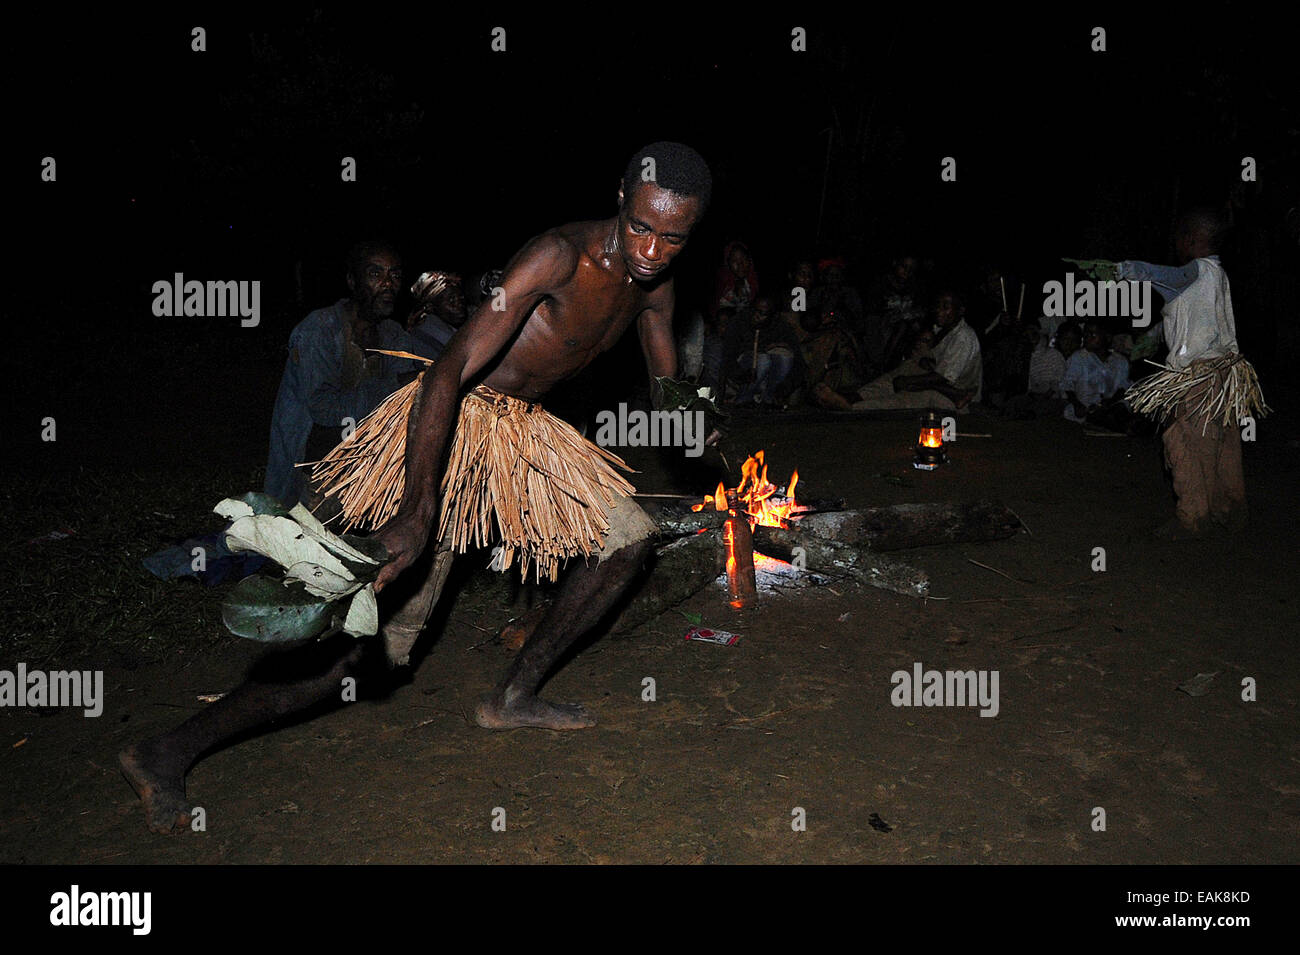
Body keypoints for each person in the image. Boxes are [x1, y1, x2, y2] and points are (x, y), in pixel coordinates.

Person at [121, 142, 712, 833]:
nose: (652, 248)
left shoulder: (659, 284)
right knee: (371, 643)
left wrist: (699, 419)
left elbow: (670, 387)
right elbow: (446, 371)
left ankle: (514, 695)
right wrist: (416, 508)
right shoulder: (557, 255)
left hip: (525, 436)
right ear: (620, 194)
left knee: (627, 538)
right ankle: (167, 747)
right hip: (454, 422)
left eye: (673, 237)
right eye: (642, 226)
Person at [1118, 208, 1250, 538]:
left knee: (1185, 442)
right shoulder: (1218, 276)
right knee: (1223, 447)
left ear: (1191, 240)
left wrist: (1127, 270)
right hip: (1225, 376)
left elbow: (1160, 275)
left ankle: (1193, 517)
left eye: (1179, 238)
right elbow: (1188, 317)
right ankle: (1230, 510)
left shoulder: (1193, 271)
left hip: (1198, 378)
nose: (1176, 245)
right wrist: (1150, 339)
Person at [263, 240, 422, 507]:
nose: (388, 284)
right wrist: (395, 385)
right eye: (375, 274)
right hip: (314, 466)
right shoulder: (319, 330)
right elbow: (324, 409)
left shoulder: (394, 336)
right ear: (352, 281)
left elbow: (404, 406)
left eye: (395, 275)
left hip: (367, 465)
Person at [827, 290, 980, 411]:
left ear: (960, 310)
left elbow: (943, 377)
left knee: (908, 396)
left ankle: (854, 407)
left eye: (946, 307)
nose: (939, 310)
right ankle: (856, 397)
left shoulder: (963, 337)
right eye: (938, 306)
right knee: (904, 371)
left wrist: (909, 380)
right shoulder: (942, 329)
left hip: (955, 398)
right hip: (945, 386)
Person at [1060, 321, 1131, 428]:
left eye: (1093, 335)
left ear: (1107, 337)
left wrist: (1108, 403)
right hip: (1086, 405)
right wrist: (1077, 404)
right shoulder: (1079, 357)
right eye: (1086, 335)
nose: (1087, 338)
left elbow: (1123, 386)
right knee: (1089, 413)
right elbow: (1067, 384)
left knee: (1122, 406)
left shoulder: (1120, 361)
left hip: (1111, 404)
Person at [406, 270, 468, 360]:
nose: (460, 304)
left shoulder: (449, 328)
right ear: (430, 307)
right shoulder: (426, 333)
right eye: (451, 300)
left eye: (461, 297)